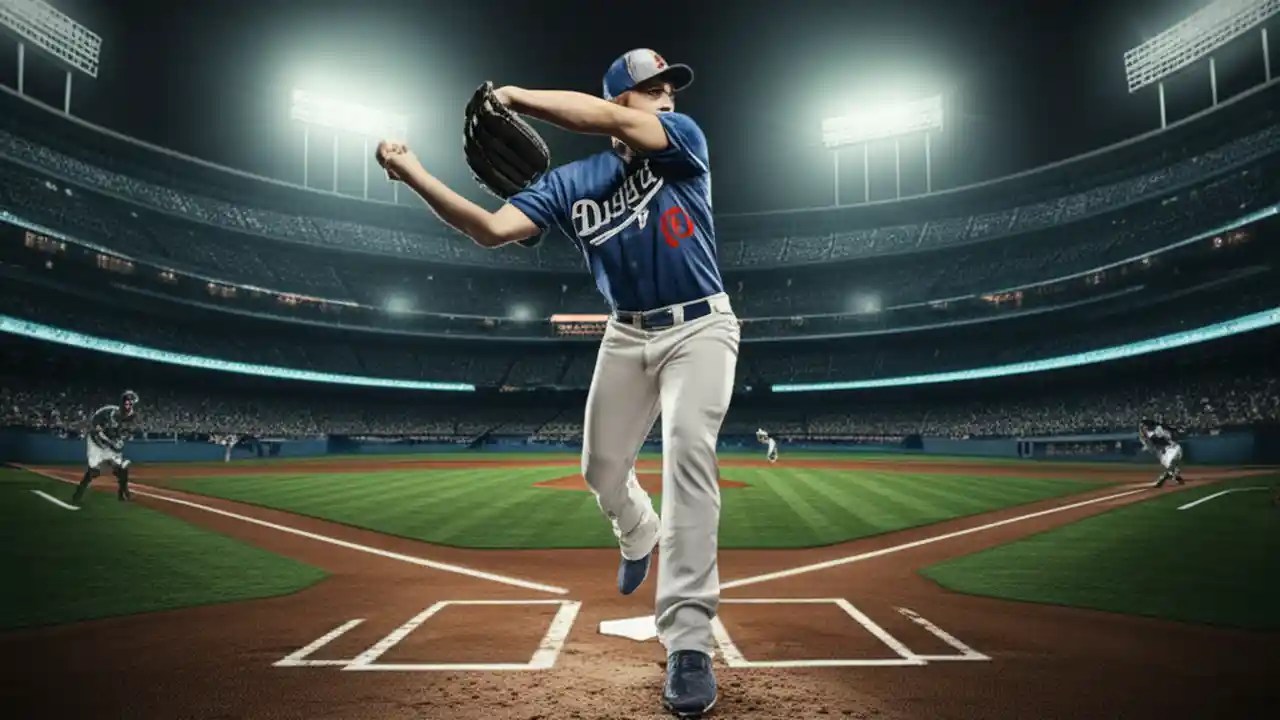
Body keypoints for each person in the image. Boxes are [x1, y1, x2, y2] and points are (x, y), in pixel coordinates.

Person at [376, 48, 733, 717]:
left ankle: (688, 645)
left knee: (688, 453)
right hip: (627, 332)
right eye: (651, 88)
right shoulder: (574, 182)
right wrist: (413, 171)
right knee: (600, 467)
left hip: (700, 327)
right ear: (622, 100)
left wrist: (515, 94)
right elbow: (490, 229)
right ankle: (637, 531)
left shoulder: (683, 142)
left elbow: (600, 117)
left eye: (668, 87)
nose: (667, 97)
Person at [72, 390, 139, 504]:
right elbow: (96, 427)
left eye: (131, 404)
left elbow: (126, 432)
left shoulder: (131, 417)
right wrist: (110, 441)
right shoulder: (107, 411)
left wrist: (121, 439)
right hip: (96, 442)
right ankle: (79, 492)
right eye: (127, 403)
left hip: (110, 442)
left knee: (121, 469)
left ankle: (123, 492)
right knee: (94, 471)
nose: (128, 407)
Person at [1138, 418, 1184, 488]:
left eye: (1143, 426)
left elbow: (1158, 439)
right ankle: (1175, 476)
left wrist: (1148, 441)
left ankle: (1164, 477)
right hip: (1164, 453)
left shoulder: (1156, 430)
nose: (1142, 428)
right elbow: (1151, 445)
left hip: (1172, 449)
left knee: (1172, 464)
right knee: (1170, 466)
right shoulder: (1146, 435)